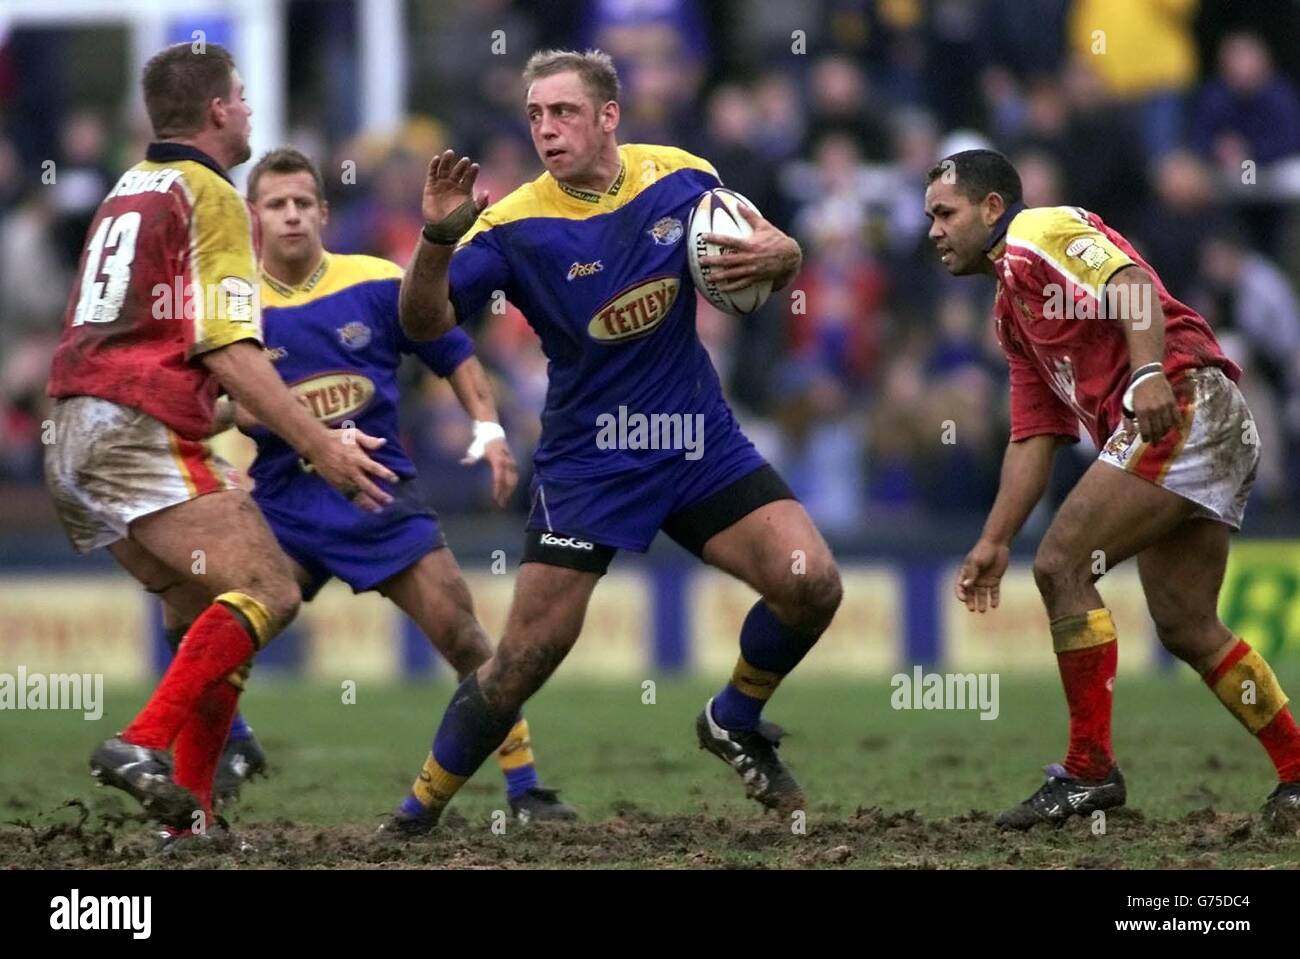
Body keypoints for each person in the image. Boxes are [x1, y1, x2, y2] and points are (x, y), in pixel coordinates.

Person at [381, 48, 844, 836]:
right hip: (591, 458)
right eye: (534, 115)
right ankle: (414, 813)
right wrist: (434, 239)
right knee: (527, 655)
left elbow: (768, 250)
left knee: (813, 583)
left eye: (563, 112)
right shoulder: (512, 226)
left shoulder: (683, 176)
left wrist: (789, 252)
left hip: (695, 438)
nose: (546, 129)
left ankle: (733, 716)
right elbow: (420, 325)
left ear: (608, 117)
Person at [44, 43, 396, 830]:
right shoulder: (213, 194)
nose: (247, 108)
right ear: (215, 112)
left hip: (69, 428)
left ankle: (188, 820)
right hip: (131, 424)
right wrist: (322, 444)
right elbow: (229, 349)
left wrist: (225, 409)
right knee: (270, 587)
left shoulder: (130, 187)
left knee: (208, 600)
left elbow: (148, 336)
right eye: (239, 96)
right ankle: (139, 742)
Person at [165, 146, 574, 822]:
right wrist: (258, 413)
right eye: (277, 204)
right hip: (286, 509)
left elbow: (454, 352)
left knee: (468, 638)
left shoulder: (378, 282)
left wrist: (489, 431)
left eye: (303, 203)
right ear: (252, 215)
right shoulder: (231, 306)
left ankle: (525, 787)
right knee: (194, 621)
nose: (292, 215)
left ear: (324, 212)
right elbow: (194, 409)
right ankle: (216, 768)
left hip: (379, 498)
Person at [924, 148, 1300, 830]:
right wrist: (993, 539)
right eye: (929, 217)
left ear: (992, 208)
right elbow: (1035, 436)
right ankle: (1298, 773)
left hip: (1182, 399)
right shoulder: (1012, 313)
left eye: (945, 213)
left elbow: (1129, 280)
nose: (933, 230)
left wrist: (1148, 370)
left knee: (1063, 564)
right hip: (1192, 417)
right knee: (1187, 623)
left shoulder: (1038, 233)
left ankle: (1090, 770)